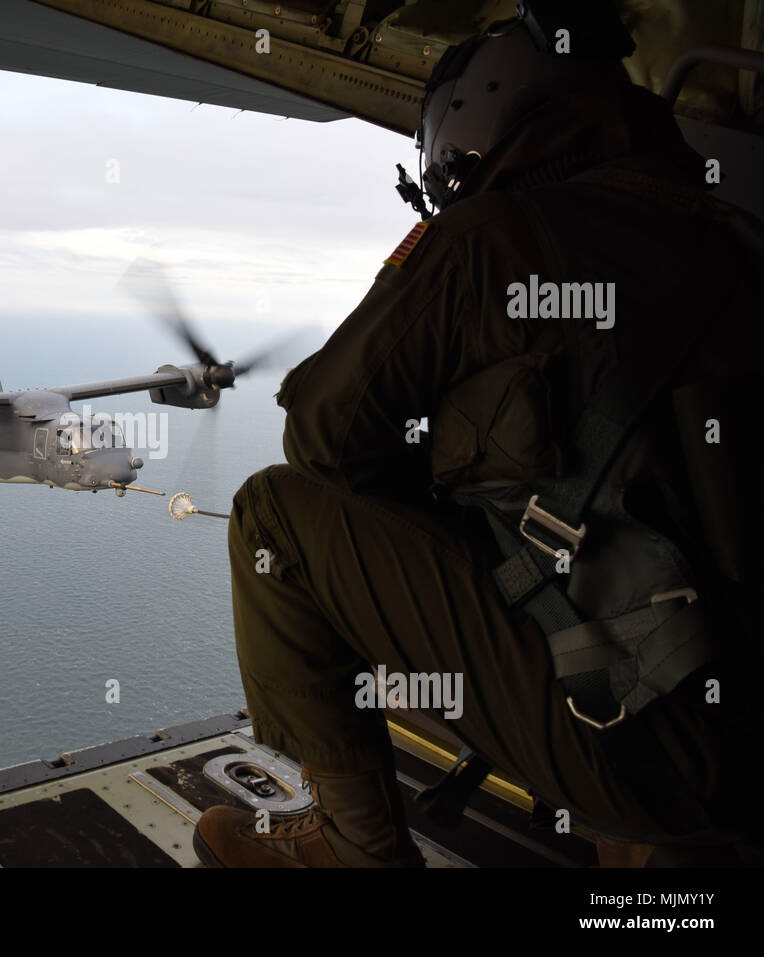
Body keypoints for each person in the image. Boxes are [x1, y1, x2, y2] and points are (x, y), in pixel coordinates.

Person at [193, 0, 764, 868]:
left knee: (275, 518)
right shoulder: (731, 244)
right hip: (738, 729)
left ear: (479, 121)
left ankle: (356, 848)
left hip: (652, 748)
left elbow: (321, 433)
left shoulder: (489, 238)